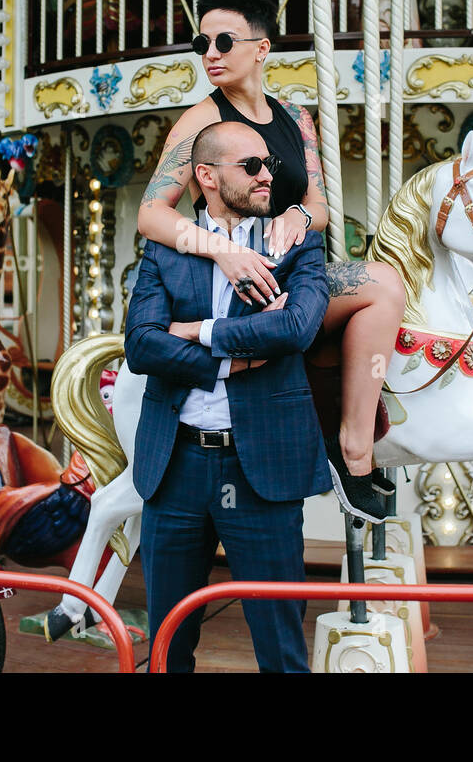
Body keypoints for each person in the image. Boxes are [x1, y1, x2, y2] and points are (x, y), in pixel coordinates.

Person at [136, 0, 404, 523]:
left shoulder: (295, 118)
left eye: (224, 41)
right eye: (202, 44)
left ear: (261, 48)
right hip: (234, 281)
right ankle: (350, 451)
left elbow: (319, 204)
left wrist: (297, 214)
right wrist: (222, 253)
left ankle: (353, 441)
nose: (210, 54)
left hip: (290, 274)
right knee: (380, 283)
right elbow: (150, 212)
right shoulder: (200, 122)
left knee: (387, 286)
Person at [125, 120, 331, 673]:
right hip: (177, 464)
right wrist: (236, 358)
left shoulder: (295, 244)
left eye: (270, 165)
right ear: (207, 176)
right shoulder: (167, 249)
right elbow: (141, 345)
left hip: (259, 462)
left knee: (282, 649)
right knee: (167, 647)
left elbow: (295, 330)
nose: (268, 176)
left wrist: (197, 332)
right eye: (252, 167)